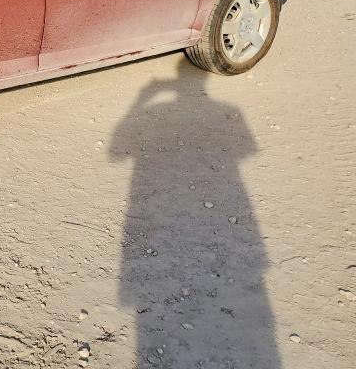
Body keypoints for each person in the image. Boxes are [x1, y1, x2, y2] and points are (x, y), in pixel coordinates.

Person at [109, 59, 282, 368]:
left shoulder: (152, 112)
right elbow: (246, 152)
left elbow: (115, 153)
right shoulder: (228, 109)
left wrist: (141, 100)